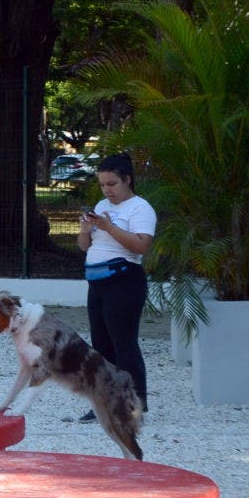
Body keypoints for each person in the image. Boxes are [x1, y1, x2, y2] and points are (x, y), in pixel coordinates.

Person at [76, 152, 155, 422]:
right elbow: (84, 246)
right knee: (100, 344)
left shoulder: (140, 208)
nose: (107, 190)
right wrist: (86, 229)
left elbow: (141, 246)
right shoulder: (101, 205)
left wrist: (109, 227)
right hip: (97, 282)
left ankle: (134, 404)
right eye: (102, 185)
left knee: (124, 343)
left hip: (124, 280)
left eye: (112, 184)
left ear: (127, 180)